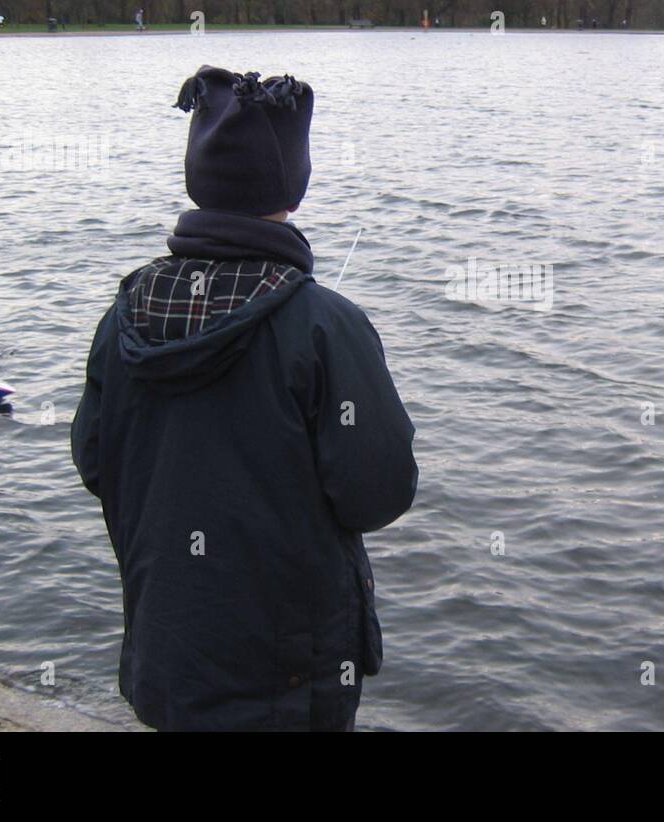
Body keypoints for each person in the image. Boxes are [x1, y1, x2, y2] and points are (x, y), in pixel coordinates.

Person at [71, 65, 418, 731]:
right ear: (292, 181)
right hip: (288, 678)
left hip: (167, 651)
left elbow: (95, 460)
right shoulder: (326, 325)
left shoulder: (124, 313)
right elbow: (379, 492)